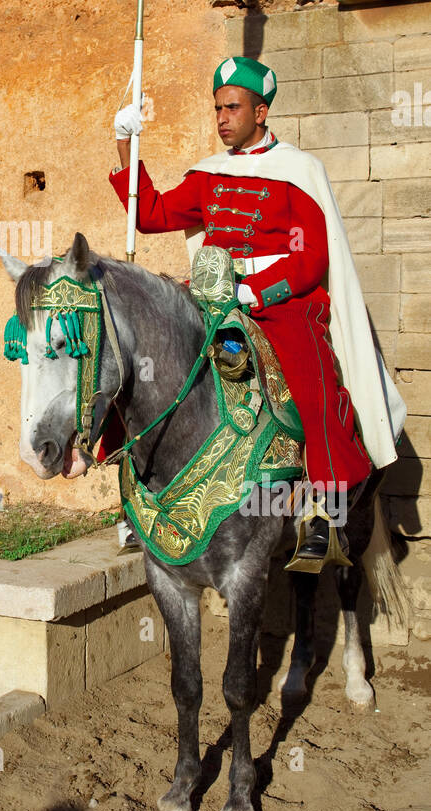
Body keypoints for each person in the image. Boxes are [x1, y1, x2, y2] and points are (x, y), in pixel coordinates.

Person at [106, 55, 405, 566]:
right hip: (212, 296)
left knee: (312, 382)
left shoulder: (299, 171)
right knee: (145, 352)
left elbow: (311, 257)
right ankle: (142, 494)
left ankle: (323, 512)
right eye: (217, 108)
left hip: (282, 304)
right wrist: (125, 146)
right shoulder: (208, 176)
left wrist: (254, 293)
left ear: (260, 112)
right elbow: (152, 212)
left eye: (233, 108)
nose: (221, 117)